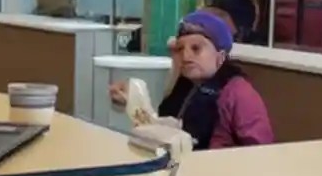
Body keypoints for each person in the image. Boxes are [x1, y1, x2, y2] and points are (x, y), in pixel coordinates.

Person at [112, 9, 274, 150]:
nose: (186, 56)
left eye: (196, 48)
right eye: (180, 49)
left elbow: (260, 152)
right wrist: (131, 101)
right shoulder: (186, 86)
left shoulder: (239, 93)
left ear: (221, 55)